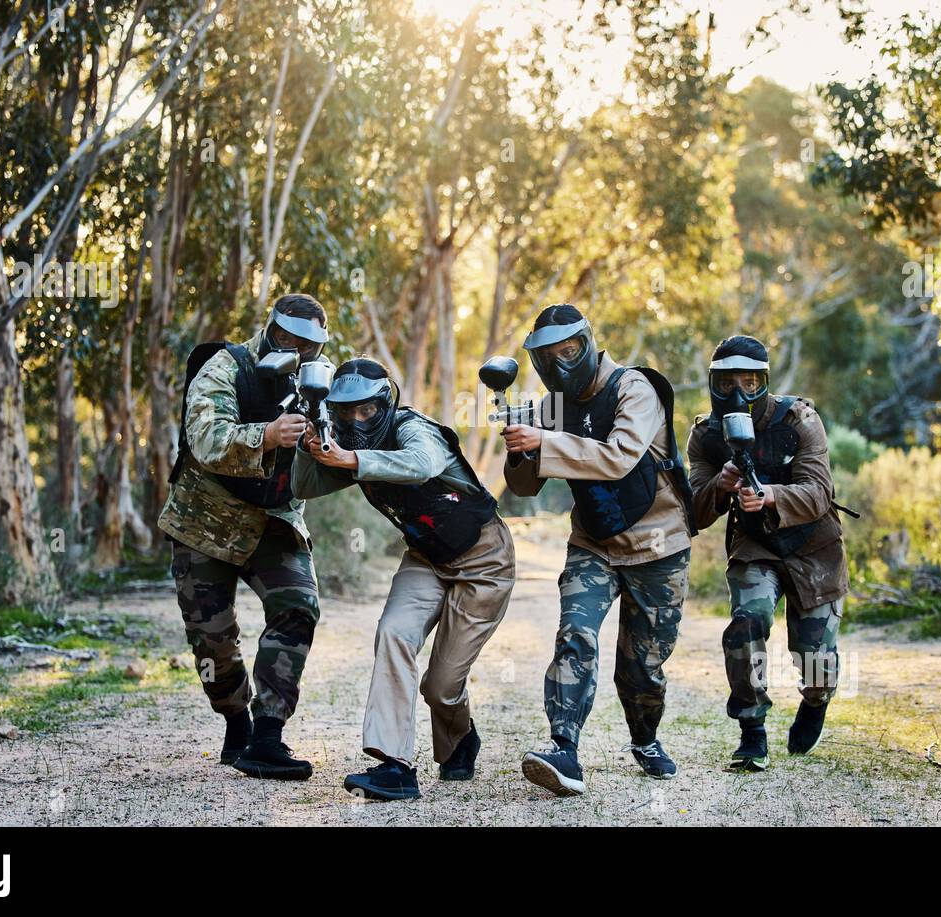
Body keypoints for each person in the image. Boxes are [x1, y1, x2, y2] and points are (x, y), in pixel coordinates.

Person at [293, 358, 515, 800]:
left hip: (484, 559)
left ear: (386, 403)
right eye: (344, 411)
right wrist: (308, 445)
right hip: (425, 559)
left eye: (367, 410)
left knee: (441, 686)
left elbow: (421, 465)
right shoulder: (342, 442)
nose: (356, 420)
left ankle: (460, 737)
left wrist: (350, 457)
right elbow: (304, 486)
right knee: (393, 632)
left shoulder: (416, 429)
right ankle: (394, 766)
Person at [501, 304, 696, 796]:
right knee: (576, 634)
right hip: (593, 542)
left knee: (641, 668)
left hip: (657, 545)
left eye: (569, 351)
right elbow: (523, 488)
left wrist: (544, 441)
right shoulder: (551, 407)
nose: (561, 363)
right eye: (548, 356)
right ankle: (563, 748)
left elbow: (617, 458)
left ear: (588, 342)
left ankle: (645, 737)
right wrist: (521, 451)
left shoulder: (635, 389)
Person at [157, 293, 330, 780]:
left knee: (298, 607)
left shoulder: (320, 379)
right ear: (269, 328)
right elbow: (207, 440)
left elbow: (356, 432)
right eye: (285, 338)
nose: (294, 350)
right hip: (204, 521)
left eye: (307, 345)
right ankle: (236, 722)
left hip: (274, 520)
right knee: (212, 639)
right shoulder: (225, 367)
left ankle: (268, 735)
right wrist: (268, 435)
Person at [685, 335, 851, 771]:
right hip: (755, 544)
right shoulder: (705, 436)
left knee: (815, 657)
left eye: (750, 381)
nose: (738, 394)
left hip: (814, 548)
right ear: (712, 384)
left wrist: (771, 495)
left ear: (765, 382)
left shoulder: (799, 420)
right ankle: (751, 729)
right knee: (747, 622)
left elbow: (819, 492)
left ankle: (816, 702)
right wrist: (719, 486)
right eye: (727, 384)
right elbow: (695, 512)